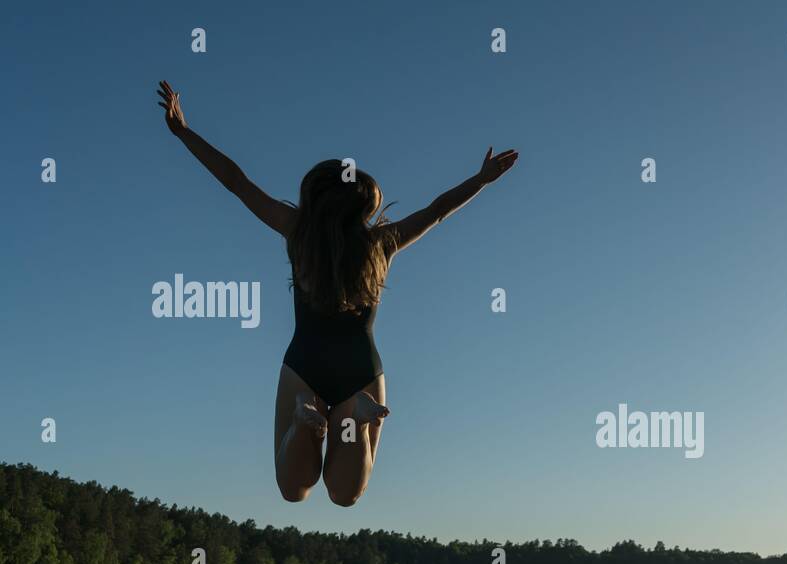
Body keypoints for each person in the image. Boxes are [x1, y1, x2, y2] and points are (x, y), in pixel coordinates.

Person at [156, 80, 518, 505]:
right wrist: (481, 180)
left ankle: (303, 423)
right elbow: (436, 212)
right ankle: (357, 423)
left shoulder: (298, 232)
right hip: (360, 371)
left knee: (294, 488)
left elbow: (236, 182)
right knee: (344, 495)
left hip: (304, 367)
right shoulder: (380, 244)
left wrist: (183, 131)